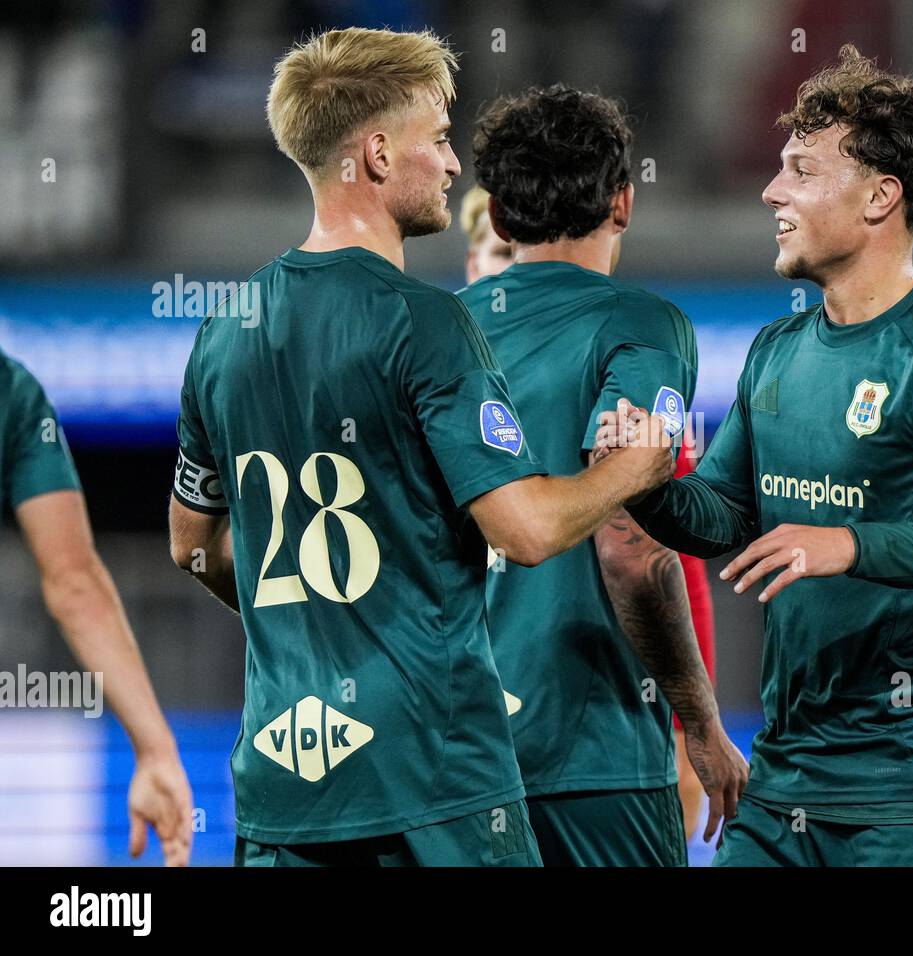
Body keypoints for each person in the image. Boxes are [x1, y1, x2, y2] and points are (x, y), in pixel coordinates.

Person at [167, 28, 673, 867]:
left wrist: (310, 620)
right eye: (436, 139)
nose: (450, 166)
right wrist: (635, 466)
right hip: (434, 784)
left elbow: (190, 547)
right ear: (374, 153)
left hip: (283, 788)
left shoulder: (224, 331)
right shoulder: (428, 322)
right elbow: (527, 530)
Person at [597, 46, 913, 866]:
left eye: (800, 170)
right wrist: (647, 477)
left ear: (880, 197)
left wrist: (847, 543)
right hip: (790, 776)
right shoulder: (776, 351)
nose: (772, 191)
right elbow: (720, 512)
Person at [459, 85, 745, 866]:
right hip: (594, 762)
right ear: (623, 203)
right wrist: (700, 724)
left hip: (450, 767)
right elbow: (629, 546)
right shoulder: (642, 326)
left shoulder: (430, 337)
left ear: (505, 219)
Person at [1, 348, 192, 865]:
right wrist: (155, 749)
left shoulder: (13, 396)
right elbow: (74, 585)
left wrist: (155, 747)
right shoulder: (12, 392)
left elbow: (75, 584)